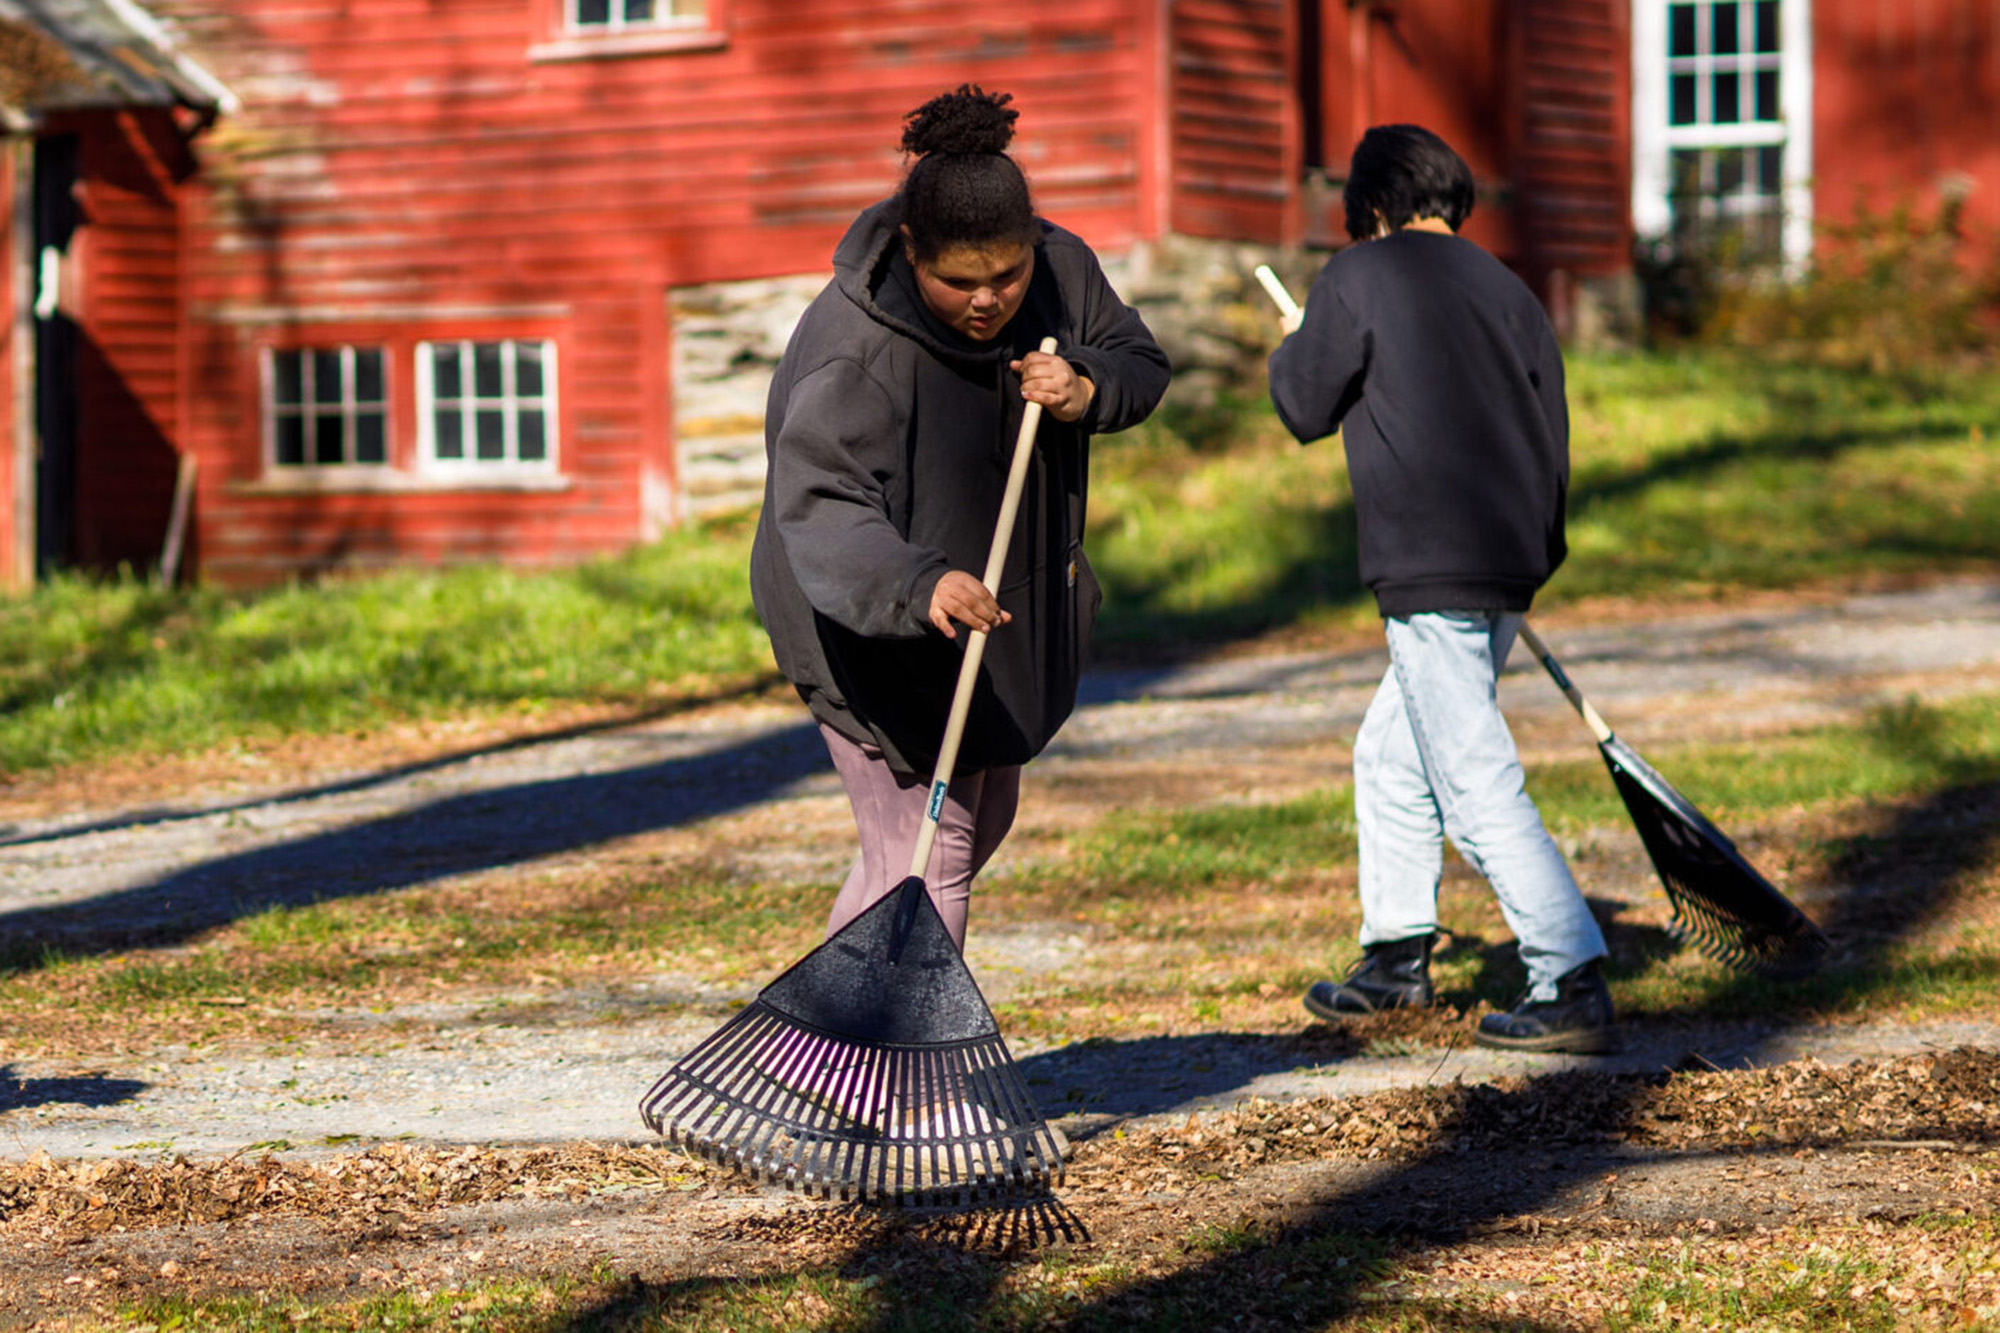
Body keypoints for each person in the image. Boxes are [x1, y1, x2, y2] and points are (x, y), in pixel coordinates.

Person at [749, 85, 1170, 952]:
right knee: (926, 849)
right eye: (959, 281)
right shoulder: (853, 348)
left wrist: (1086, 385)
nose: (990, 300)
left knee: (970, 827)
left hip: (999, 610)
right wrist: (919, 581)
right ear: (912, 250)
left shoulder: (1060, 270)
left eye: (1008, 274)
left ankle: (833, 1042)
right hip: (869, 615)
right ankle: (921, 1082)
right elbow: (824, 502)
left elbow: (1139, 361)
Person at [1266, 124, 1616, 1054]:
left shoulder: (1356, 276)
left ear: (1371, 208)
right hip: (1508, 559)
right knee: (1392, 753)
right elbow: (1553, 423)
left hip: (1429, 564)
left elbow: (1304, 404)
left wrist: (1298, 345)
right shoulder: (1510, 291)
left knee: (1470, 777)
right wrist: (1536, 551)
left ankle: (1568, 969)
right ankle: (1395, 956)